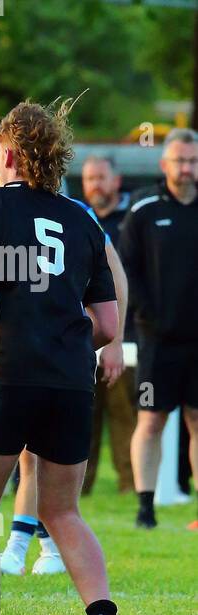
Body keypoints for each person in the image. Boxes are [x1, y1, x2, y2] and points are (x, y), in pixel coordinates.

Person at [0, 99, 129, 615]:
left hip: (7, 374)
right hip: (70, 381)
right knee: (65, 512)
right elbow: (106, 324)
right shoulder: (81, 219)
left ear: (6, 153)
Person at [0, 188, 130, 579]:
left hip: (11, 362)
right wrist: (80, 345)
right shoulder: (79, 216)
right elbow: (107, 311)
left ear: (9, 155)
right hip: (64, 368)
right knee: (60, 503)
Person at [116, 128, 198, 530]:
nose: (186, 168)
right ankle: (145, 508)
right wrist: (147, 314)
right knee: (151, 419)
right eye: (179, 160)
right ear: (164, 163)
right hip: (156, 339)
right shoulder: (144, 207)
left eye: (193, 161)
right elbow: (124, 267)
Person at [80, 154, 136, 494]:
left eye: (102, 177)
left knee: (124, 411)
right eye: (89, 179)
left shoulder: (131, 220)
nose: (95, 185)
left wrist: (119, 338)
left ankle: (130, 484)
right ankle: (78, 486)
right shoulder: (74, 219)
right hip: (82, 332)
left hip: (121, 331)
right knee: (84, 413)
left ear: (117, 180)